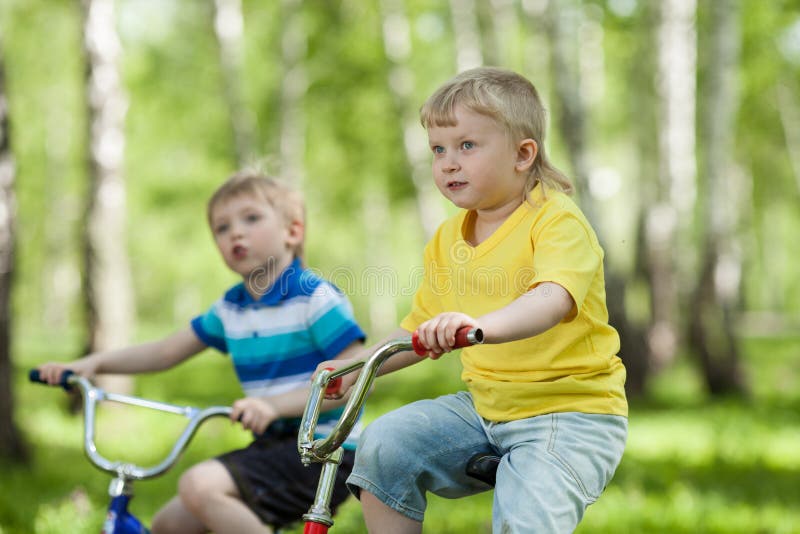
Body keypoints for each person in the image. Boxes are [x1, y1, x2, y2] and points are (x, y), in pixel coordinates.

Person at [318, 66, 628, 533]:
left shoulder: (557, 221)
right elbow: (414, 330)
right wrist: (357, 369)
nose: (448, 162)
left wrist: (480, 326)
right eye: (438, 149)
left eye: (467, 146)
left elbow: (552, 298)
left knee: (526, 519)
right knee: (384, 443)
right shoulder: (447, 239)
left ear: (523, 155)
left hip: (569, 414)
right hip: (486, 409)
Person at [37, 172, 366, 534]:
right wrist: (94, 363)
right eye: (222, 228)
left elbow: (353, 375)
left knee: (199, 484)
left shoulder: (313, 298)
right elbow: (164, 352)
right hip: (273, 448)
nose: (235, 233)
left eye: (251, 218)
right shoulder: (231, 309)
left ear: (292, 232)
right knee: (168, 524)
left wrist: (272, 406)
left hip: (327, 451)